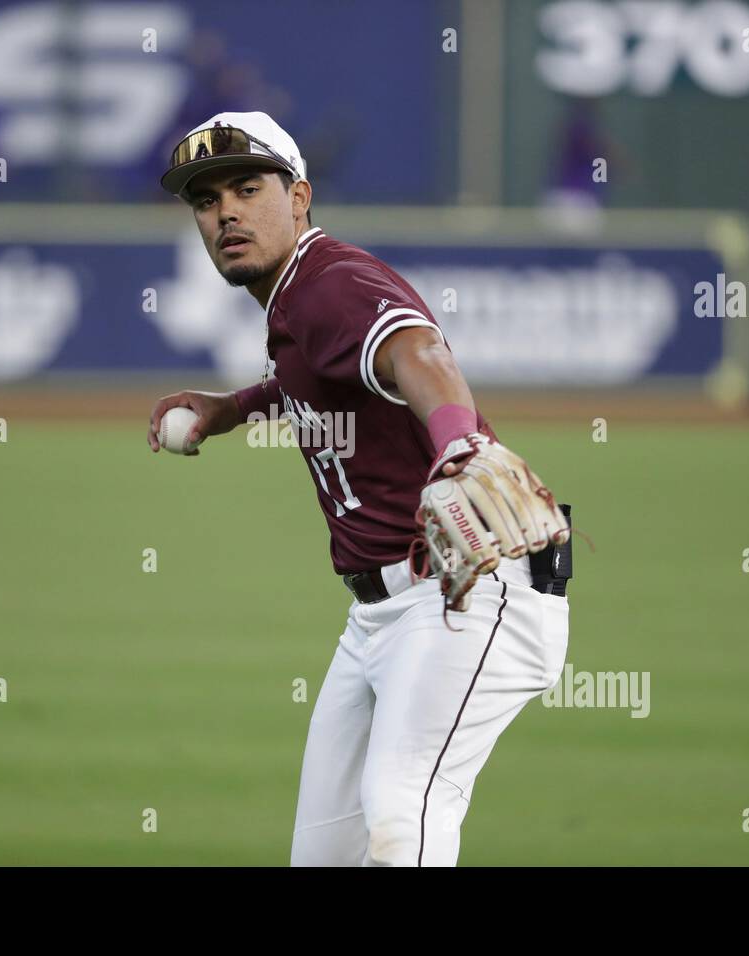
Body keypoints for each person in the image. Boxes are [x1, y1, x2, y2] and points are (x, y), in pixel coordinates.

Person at [146, 112, 572, 867]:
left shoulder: (330, 284)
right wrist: (232, 409)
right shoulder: (293, 300)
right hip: (380, 619)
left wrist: (461, 445)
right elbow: (313, 381)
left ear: (300, 197)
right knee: (326, 856)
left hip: (466, 591)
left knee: (400, 820)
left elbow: (417, 350)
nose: (226, 214)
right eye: (207, 203)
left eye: (248, 188)